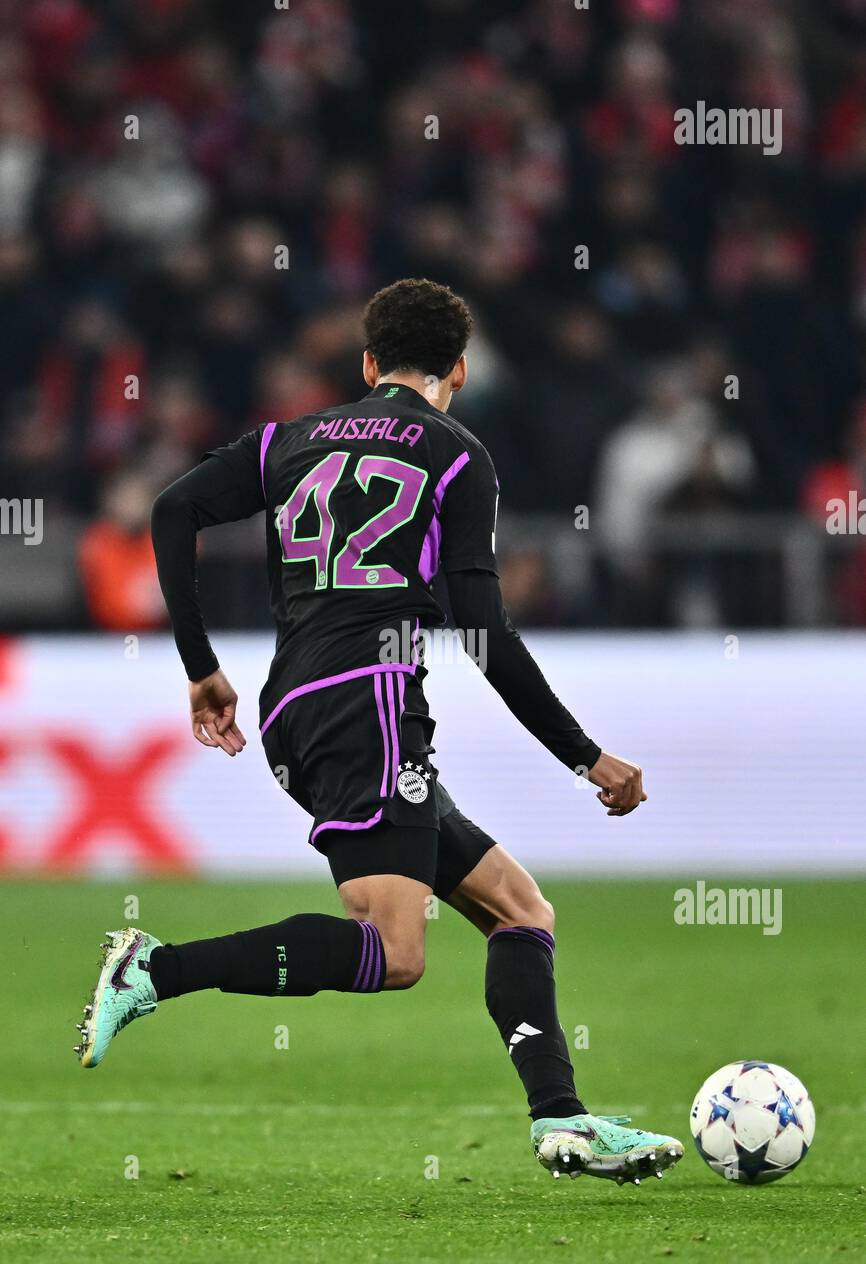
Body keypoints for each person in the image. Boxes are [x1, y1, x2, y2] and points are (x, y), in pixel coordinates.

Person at [75, 278, 682, 1186]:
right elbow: (483, 632)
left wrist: (201, 666)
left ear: (367, 365)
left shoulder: (290, 437)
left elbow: (171, 509)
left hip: (299, 703)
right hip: (369, 703)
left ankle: (563, 1121)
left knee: (521, 909)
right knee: (396, 953)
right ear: (460, 371)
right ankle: (155, 971)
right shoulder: (456, 455)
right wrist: (585, 757)